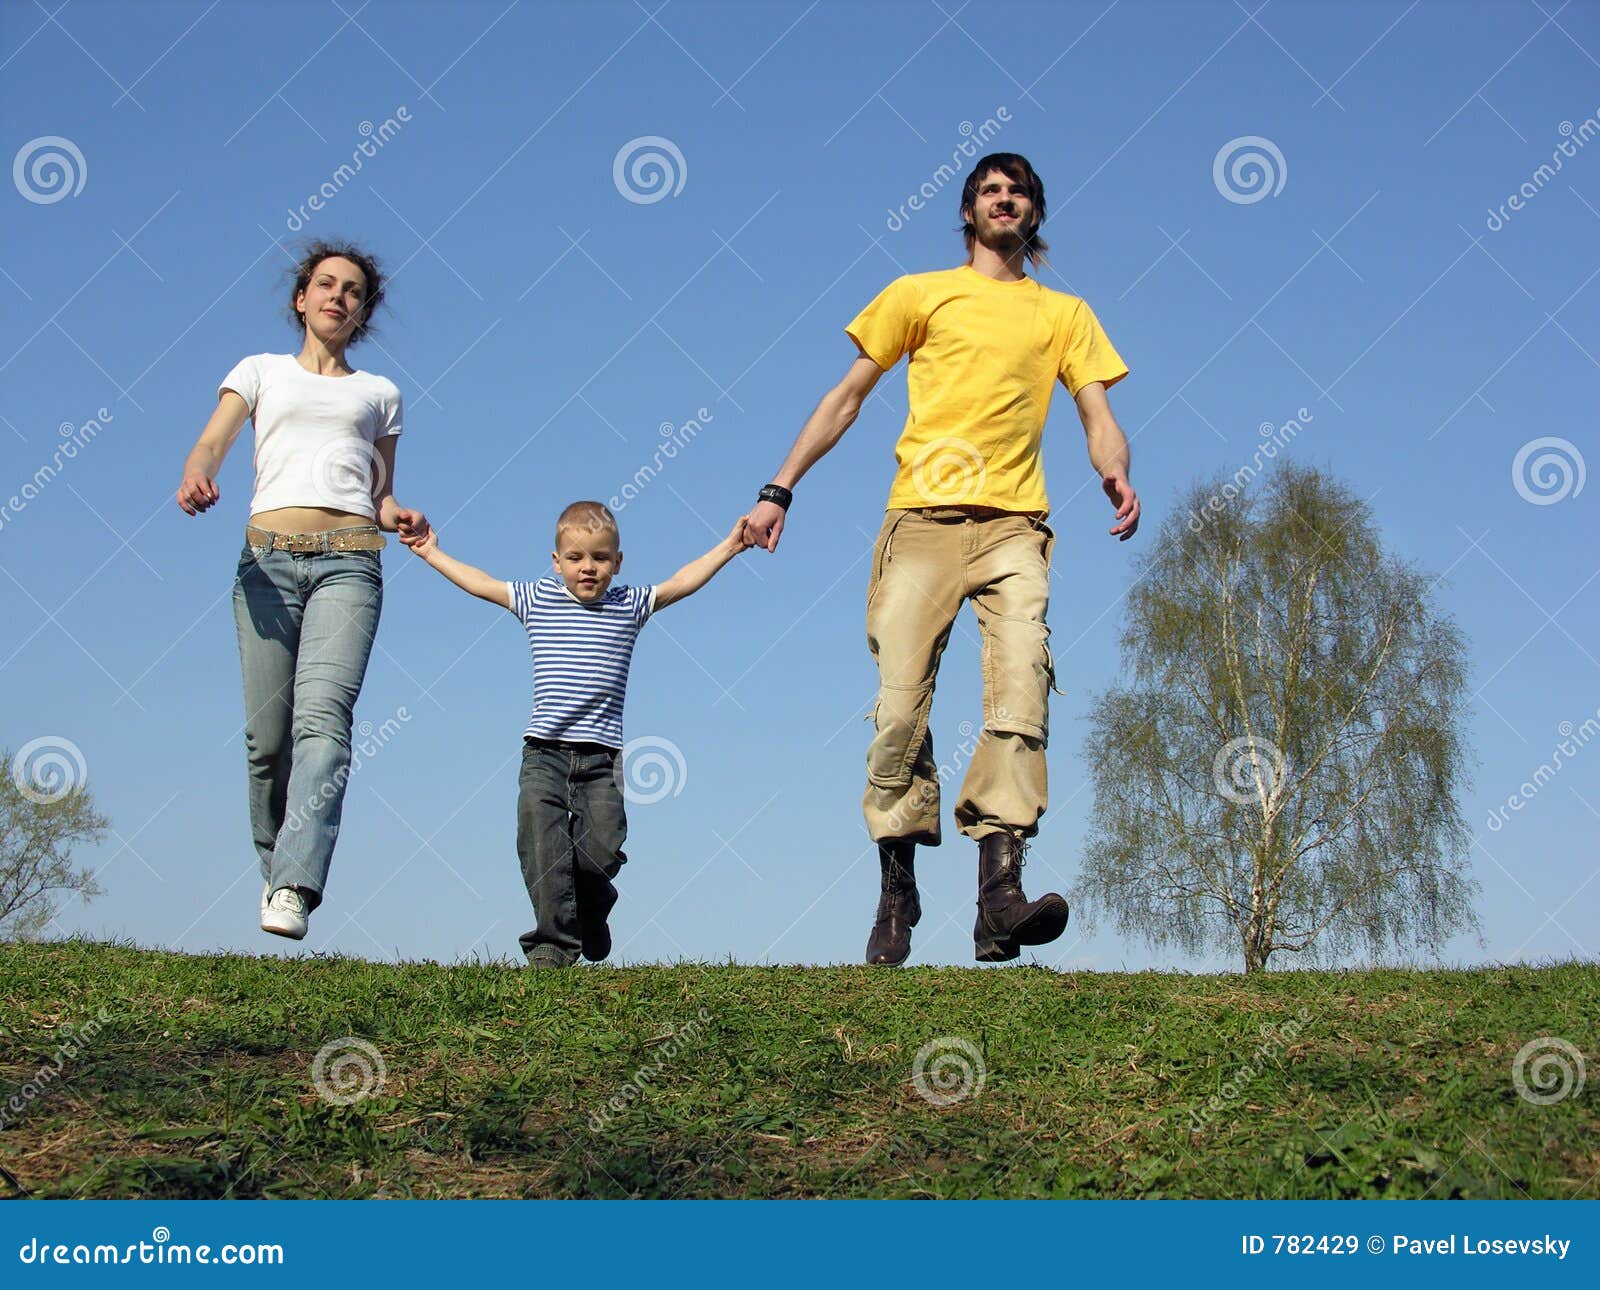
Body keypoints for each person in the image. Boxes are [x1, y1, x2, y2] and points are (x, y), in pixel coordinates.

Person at [743, 153, 1139, 966]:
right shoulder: (919, 294)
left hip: (1014, 528)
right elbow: (847, 395)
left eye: (1018, 191)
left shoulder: (1065, 314)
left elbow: (1096, 408)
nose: (1005, 199)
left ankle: (1000, 894)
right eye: (990, 191)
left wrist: (1115, 470)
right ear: (968, 213)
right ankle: (898, 885)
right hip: (920, 523)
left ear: (1035, 214)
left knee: (1023, 686)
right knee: (897, 712)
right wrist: (779, 488)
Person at [176, 241, 429, 941]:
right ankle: (275, 866)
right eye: (325, 284)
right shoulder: (259, 372)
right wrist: (199, 474)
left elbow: (379, 493)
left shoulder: (379, 394)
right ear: (301, 298)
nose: (337, 297)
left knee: (324, 724)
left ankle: (294, 884)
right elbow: (210, 444)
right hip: (266, 563)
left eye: (352, 291)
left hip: (350, 562)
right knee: (267, 741)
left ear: (362, 312)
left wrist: (396, 513)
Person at [402, 501, 747, 968]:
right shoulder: (536, 599)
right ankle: (553, 945)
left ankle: (591, 907)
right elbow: (481, 583)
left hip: (602, 761)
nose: (588, 568)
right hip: (543, 755)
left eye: (601, 558)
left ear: (618, 562)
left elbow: (680, 583)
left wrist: (730, 545)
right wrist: (430, 553)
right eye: (576, 558)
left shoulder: (630, 604)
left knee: (599, 854)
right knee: (542, 847)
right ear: (556, 561)